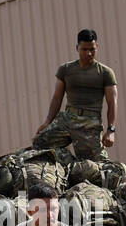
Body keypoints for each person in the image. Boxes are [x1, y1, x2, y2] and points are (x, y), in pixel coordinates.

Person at [33, 28, 118, 160]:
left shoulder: (105, 73)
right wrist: (48, 121)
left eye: (92, 49)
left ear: (97, 48)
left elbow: (112, 102)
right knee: (40, 142)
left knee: (96, 164)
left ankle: (80, 168)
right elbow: (57, 97)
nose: (89, 53)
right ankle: (67, 163)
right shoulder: (66, 70)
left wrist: (111, 130)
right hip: (67, 119)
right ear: (77, 48)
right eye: (84, 49)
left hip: (90, 124)